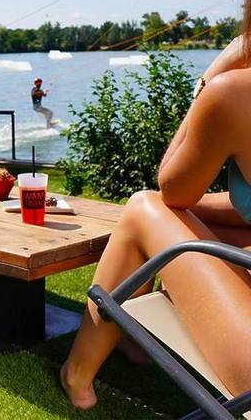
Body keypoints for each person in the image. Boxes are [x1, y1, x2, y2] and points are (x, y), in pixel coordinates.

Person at [60, 24, 251, 408]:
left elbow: (171, 189)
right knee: (169, 216)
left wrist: (211, 77)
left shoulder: (236, 93)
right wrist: (185, 214)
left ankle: (76, 375)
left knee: (143, 208)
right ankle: (132, 336)